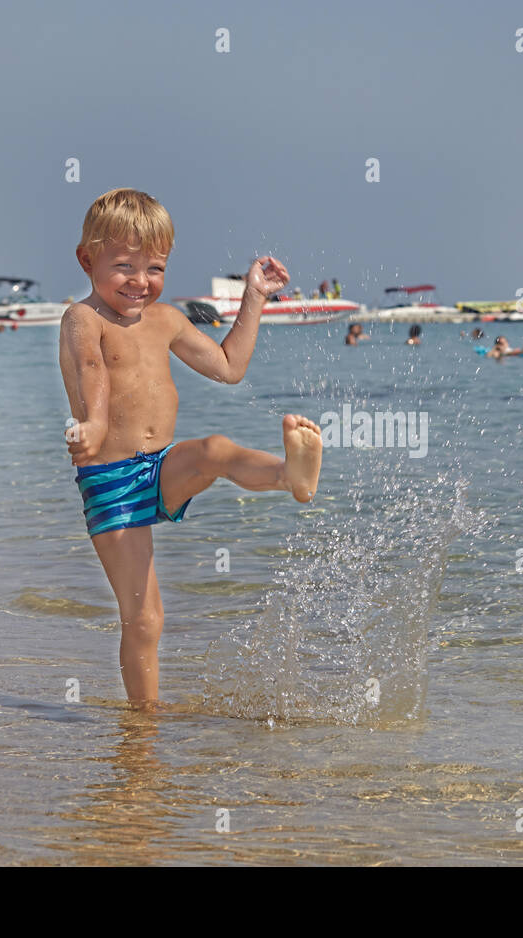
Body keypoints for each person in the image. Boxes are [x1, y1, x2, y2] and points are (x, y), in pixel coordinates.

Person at [59, 187, 323, 709]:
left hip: (161, 464)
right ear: (88, 260)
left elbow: (229, 368)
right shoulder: (82, 318)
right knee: (145, 618)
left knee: (214, 450)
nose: (140, 281)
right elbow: (93, 373)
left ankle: (289, 476)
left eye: (154, 268)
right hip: (112, 480)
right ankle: (144, 720)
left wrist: (254, 297)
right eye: (125, 266)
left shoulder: (168, 320)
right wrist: (90, 424)